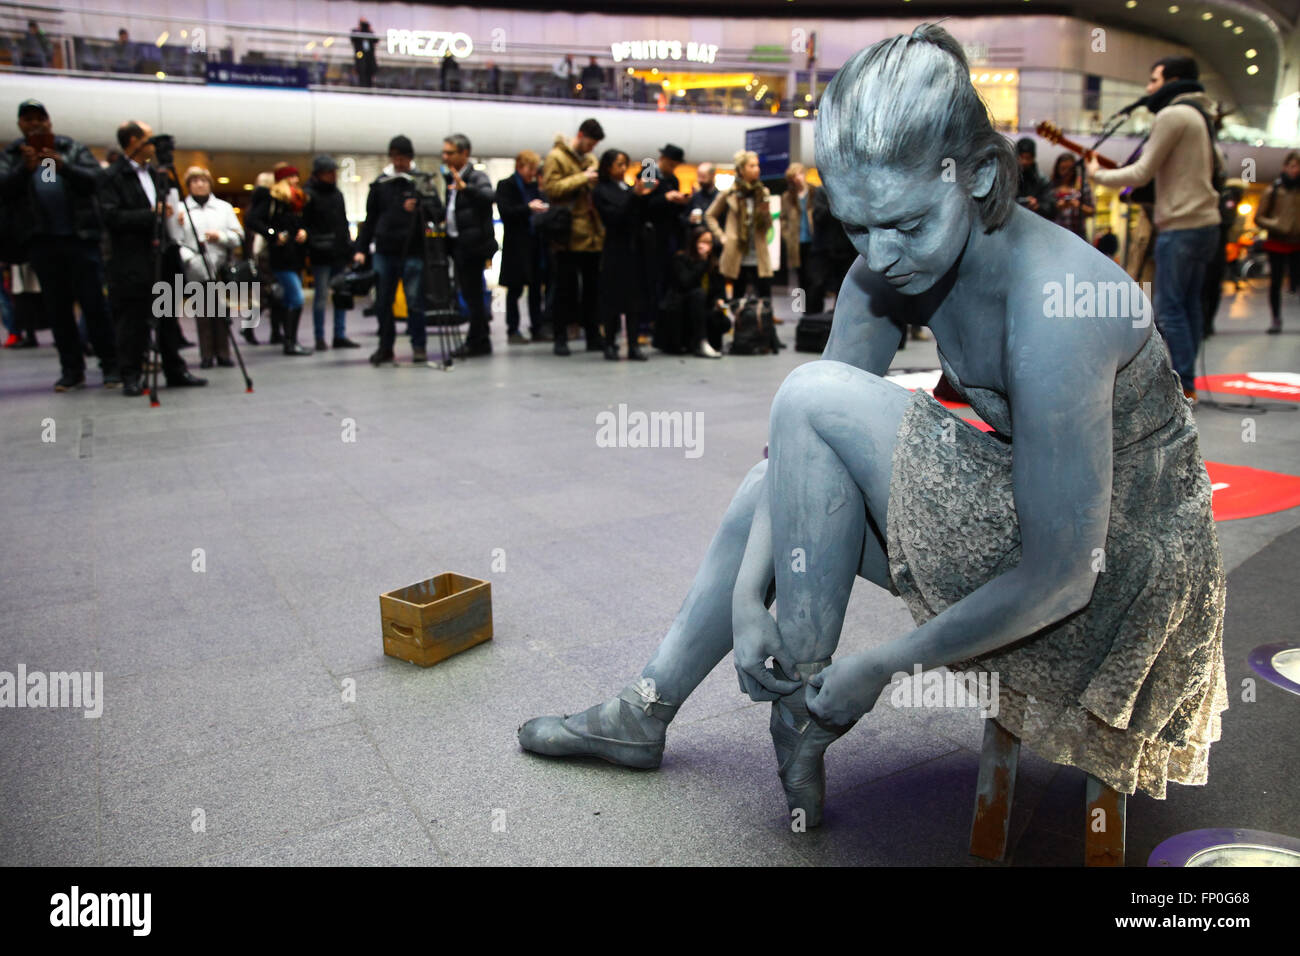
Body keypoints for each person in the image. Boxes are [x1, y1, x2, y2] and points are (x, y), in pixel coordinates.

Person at [518, 24, 1226, 831]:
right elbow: (795, 450)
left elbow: (1064, 573)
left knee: (815, 394)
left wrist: (883, 665)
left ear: (982, 174)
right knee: (788, 449)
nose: (881, 256)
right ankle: (659, 708)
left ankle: (801, 711)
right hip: (1027, 515)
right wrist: (752, 596)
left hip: (1116, 588)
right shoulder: (891, 264)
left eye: (906, 225)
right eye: (856, 225)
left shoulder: (1055, 304)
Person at [1088, 55, 1225, 402]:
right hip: (1206, 224)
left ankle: (1181, 389)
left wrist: (1097, 174)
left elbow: (1141, 173)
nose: (1148, 89)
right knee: (1190, 304)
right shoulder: (1201, 116)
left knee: (1169, 308)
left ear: (1173, 80)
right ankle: (1190, 381)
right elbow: (1216, 166)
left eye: (1153, 80)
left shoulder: (1173, 115)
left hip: (1180, 225)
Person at [0, 99, 118, 390]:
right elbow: (3, 189)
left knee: (95, 306)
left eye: (39, 118)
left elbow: (97, 180)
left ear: (49, 122)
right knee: (58, 309)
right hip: (42, 243)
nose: (34, 123)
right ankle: (71, 369)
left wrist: (62, 166)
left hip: (80, 239)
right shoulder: (13, 156)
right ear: (20, 125)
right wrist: (24, 170)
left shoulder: (71, 149)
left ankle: (111, 366)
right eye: (27, 119)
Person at [99, 120, 205, 396]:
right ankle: (131, 374)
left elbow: (168, 205)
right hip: (132, 259)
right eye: (148, 139)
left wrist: (174, 215)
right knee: (132, 319)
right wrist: (152, 214)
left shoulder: (161, 174)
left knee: (168, 316)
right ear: (133, 141)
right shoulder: (112, 176)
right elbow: (110, 217)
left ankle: (175, 369)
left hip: (164, 254)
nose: (154, 145)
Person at [353, 134, 445, 366]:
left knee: (415, 301)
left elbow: (438, 213)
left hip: (413, 250)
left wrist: (422, 205)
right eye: (395, 157)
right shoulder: (381, 183)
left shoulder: (421, 181)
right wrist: (361, 248)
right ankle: (385, 347)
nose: (398, 162)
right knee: (383, 302)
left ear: (410, 158)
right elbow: (371, 218)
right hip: (385, 250)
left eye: (402, 157)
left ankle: (419, 346)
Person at [167, 165, 243, 368]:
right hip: (196, 266)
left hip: (220, 266)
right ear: (189, 185)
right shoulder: (181, 209)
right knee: (203, 313)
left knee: (221, 312)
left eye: (203, 180)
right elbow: (176, 239)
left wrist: (221, 237)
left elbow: (238, 235)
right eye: (194, 181)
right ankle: (207, 354)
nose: (199, 184)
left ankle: (224, 352)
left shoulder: (223, 208)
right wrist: (189, 258)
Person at [541, 118, 605, 356]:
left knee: (591, 289)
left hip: (591, 233)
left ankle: (592, 336)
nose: (592, 148)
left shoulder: (591, 160)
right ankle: (560, 337)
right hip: (566, 234)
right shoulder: (555, 157)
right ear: (580, 136)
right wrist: (583, 178)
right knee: (564, 290)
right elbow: (551, 188)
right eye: (590, 143)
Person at [592, 148, 657, 361]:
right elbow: (614, 218)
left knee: (633, 300)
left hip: (634, 249)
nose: (622, 168)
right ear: (607, 167)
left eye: (624, 164)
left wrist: (644, 196)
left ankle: (633, 344)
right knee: (612, 299)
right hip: (614, 249)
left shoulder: (627, 188)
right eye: (619, 164)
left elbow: (638, 216)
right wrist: (634, 196)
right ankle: (610, 343)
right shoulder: (601, 190)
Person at [440, 133, 497, 358]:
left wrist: (466, 188)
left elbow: (488, 196)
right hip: (458, 243)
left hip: (472, 246)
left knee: (473, 295)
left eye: (450, 152)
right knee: (469, 293)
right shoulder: (450, 180)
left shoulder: (476, 177)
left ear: (465, 153)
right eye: (444, 152)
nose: (445, 157)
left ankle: (477, 340)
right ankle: (480, 337)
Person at [246, 165, 311, 355]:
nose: (296, 180)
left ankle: (286, 338)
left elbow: (301, 224)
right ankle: (288, 341)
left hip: (295, 256)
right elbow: (253, 221)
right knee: (294, 297)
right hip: (279, 257)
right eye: (291, 177)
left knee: (284, 297)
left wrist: (303, 232)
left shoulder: (297, 200)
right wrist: (273, 234)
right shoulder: (272, 199)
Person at [303, 155, 360, 350]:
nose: (333, 175)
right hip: (320, 253)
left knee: (341, 293)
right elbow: (305, 224)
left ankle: (339, 334)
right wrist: (313, 243)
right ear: (320, 174)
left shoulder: (337, 194)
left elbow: (343, 223)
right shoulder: (309, 194)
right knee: (320, 296)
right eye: (329, 172)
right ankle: (319, 336)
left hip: (338, 252)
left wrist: (349, 248)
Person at [706, 149, 774, 302]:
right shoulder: (730, 192)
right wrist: (722, 237)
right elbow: (710, 215)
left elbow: (768, 225)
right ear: (741, 170)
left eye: (757, 165)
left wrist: (765, 213)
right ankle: (738, 324)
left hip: (758, 251)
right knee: (737, 294)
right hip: (737, 251)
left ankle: (764, 322)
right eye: (752, 166)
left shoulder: (762, 192)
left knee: (764, 293)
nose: (757, 169)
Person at [495, 150, 548, 345]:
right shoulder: (506, 185)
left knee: (536, 289)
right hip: (516, 245)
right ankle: (513, 329)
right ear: (520, 166)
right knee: (515, 289)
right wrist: (528, 209)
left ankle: (537, 327)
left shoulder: (534, 187)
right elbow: (506, 212)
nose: (533, 173)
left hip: (535, 244)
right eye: (530, 168)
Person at [643, 143, 690, 342]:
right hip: (649, 236)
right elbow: (643, 203)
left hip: (668, 237)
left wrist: (679, 203)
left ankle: (661, 324)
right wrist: (665, 197)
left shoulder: (674, 180)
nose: (673, 169)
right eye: (671, 164)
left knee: (665, 281)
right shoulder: (648, 172)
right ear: (663, 159)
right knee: (649, 282)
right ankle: (644, 325)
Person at [662, 225, 727, 358]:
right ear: (694, 242)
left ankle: (706, 341)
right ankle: (701, 342)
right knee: (698, 294)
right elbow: (686, 283)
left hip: (704, 309)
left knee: (723, 321)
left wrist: (719, 301)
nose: (706, 246)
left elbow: (720, 290)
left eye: (709, 242)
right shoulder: (681, 259)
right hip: (682, 308)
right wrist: (702, 262)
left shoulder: (714, 263)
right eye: (702, 241)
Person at [1255, 151, 1300, 335]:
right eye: (1292, 166)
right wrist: (1277, 225)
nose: (1295, 170)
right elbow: (1259, 217)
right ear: (1285, 167)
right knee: (1276, 282)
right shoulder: (1273, 190)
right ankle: (1276, 317)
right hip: (1277, 242)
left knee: (1295, 282)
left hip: (1297, 242)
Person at [780, 162, 822, 316]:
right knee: (801, 279)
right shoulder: (787, 197)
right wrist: (786, 235)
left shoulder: (814, 192)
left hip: (814, 241)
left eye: (800, 174)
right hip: (797, 243)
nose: (798, 178)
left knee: (815, 279)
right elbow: (783, 219)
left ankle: (815, 311)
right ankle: (804, 312)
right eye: (794, 176)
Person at [1048, 153, 1093, 239]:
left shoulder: (1082, 185)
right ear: (1057, 169)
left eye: (1070, 169)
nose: (1067, 172)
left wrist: (1077, 205)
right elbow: (1044, 211)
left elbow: (1091, 211)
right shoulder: (1050, 186)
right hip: (1055, 236)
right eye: (1063, 168)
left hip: (1078, 236)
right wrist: (1057, 206)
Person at [1015, 138, 1056, 220]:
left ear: (1033, 158)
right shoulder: (1006, 178)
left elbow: (1051, 208)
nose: (1024, 162)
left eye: (1028, 158)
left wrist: (1038, 206)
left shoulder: (1043, 180)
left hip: (1035, 222)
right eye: (1021, 157)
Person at [352, 19, 378, 88]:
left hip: (369, 58)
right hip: (361, 57)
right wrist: (358, 30)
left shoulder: (369, 33)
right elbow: (353, 38)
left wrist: (370, 30)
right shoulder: (357, 33)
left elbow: (376, 40)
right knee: (362, 73)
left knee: (369, 74)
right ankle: (362, 87)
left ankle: (368, 88)